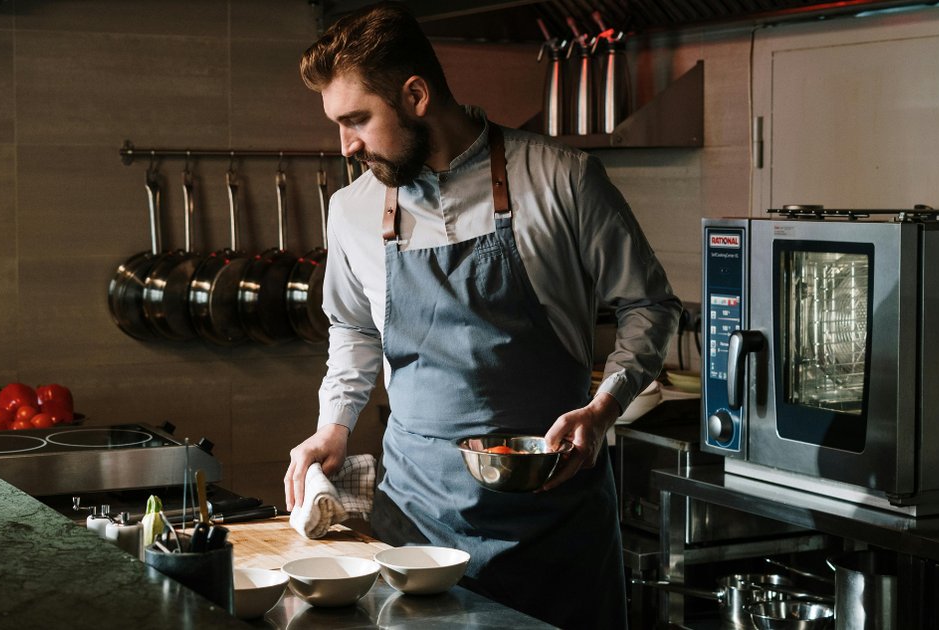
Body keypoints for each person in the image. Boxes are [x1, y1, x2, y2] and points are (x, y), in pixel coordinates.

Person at [284, 3, 681, 628]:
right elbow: (354, 328)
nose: (346, 145)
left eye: (357, 119)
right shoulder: (351, 210)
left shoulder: (562, 179)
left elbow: (650, 305)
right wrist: (334, 425)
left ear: (415, 94)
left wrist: (604, 408)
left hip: (555, 523)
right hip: (416, 519)